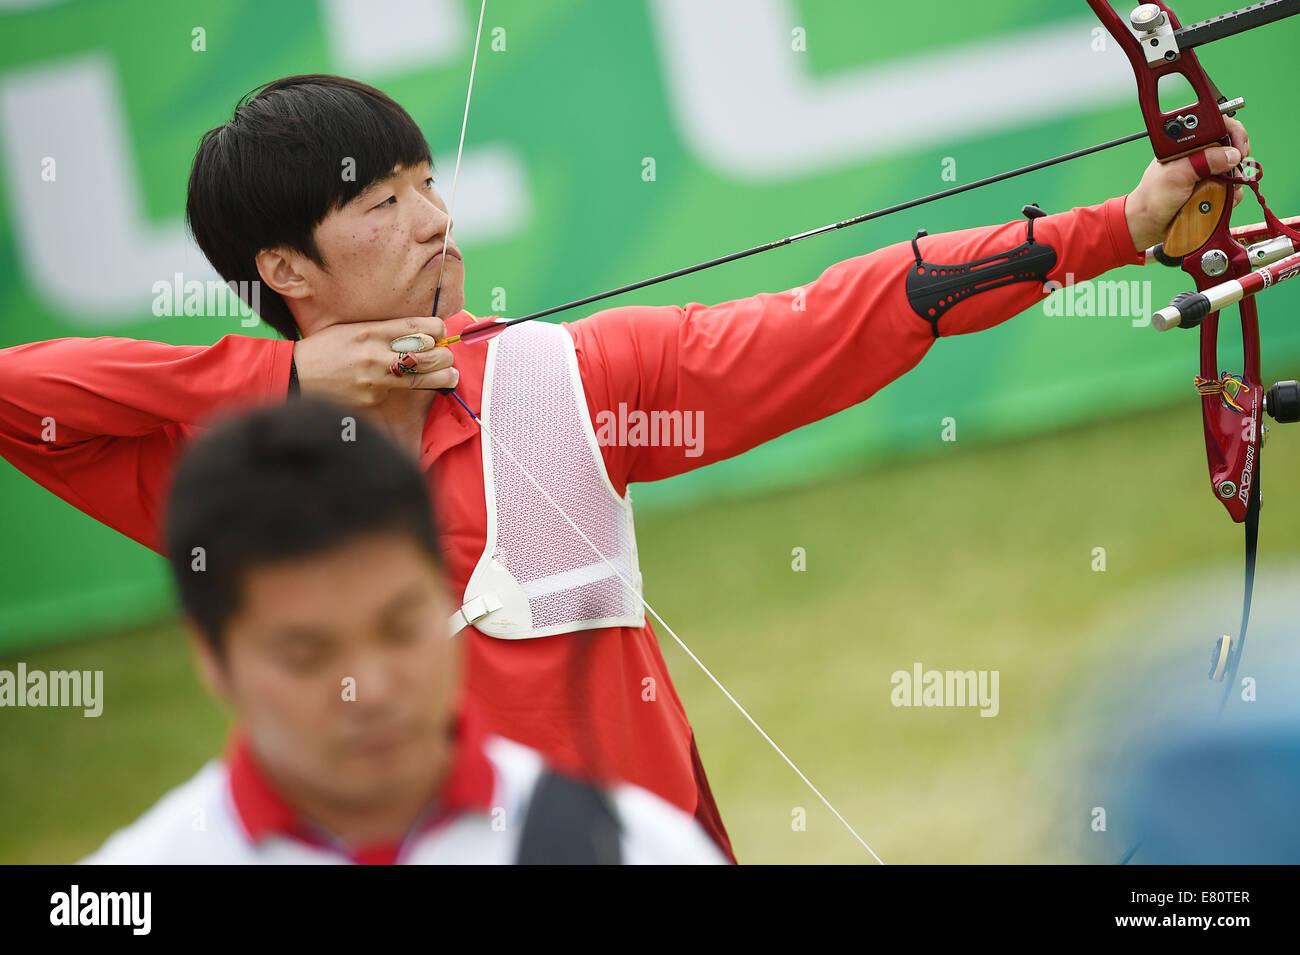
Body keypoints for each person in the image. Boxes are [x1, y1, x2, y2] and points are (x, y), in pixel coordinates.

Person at [0, 75, 1249, 863]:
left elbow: (845, 313)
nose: (437, 220)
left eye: (428, 183)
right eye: (381, 203)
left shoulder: (566, 384)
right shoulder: (222, 469)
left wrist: (1122, 227)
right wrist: (280, 382)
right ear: (284, 270)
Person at [81, 398, 726, 864]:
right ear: (213, 659)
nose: (373, 688)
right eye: (306, 655)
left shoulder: (633, 848)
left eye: (402, 628)